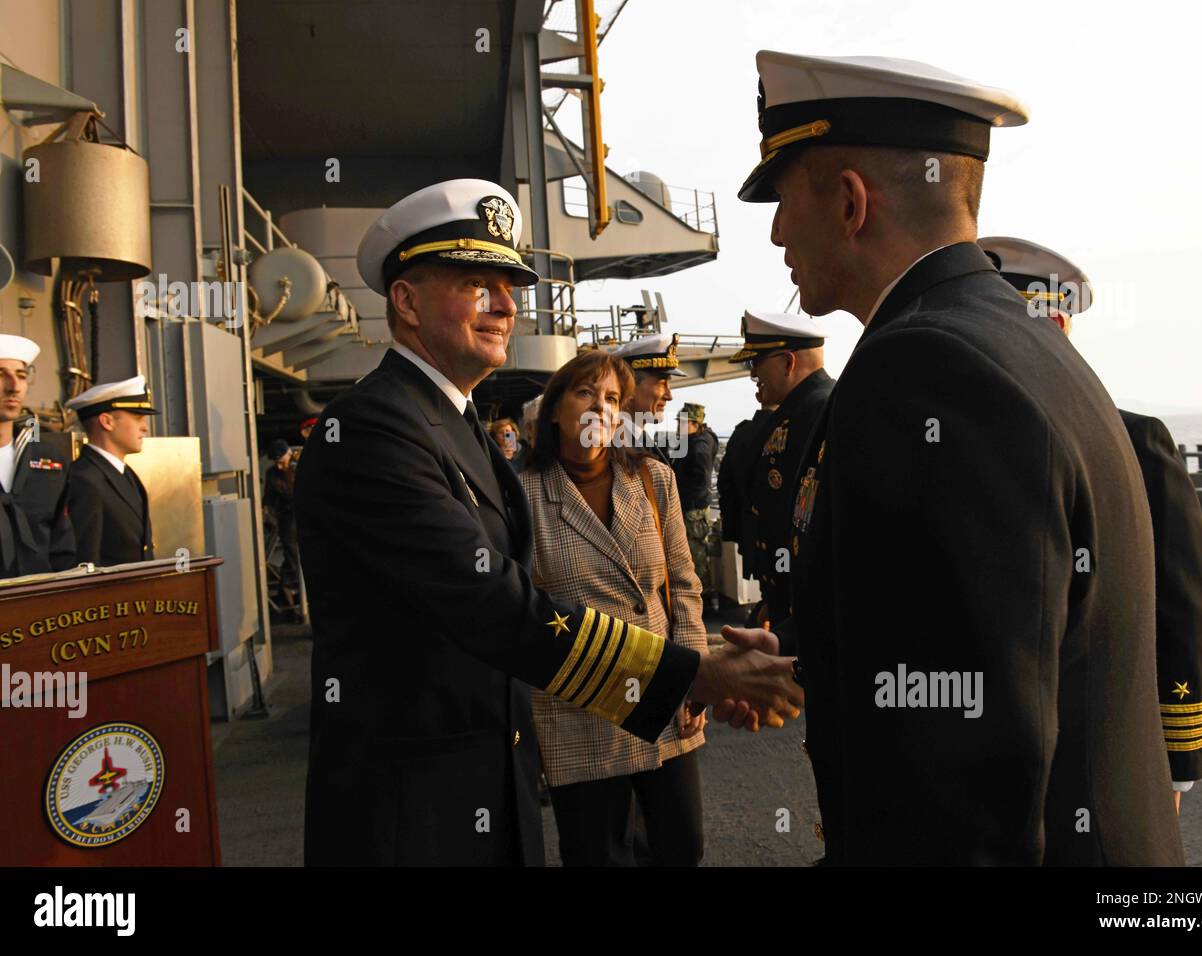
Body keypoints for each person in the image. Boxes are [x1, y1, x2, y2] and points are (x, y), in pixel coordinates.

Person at [721, 52, 1183, 865]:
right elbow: (987, 623)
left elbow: (958, 783)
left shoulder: (926, 367)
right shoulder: (1018, 340)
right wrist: (807, 651)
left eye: (784, 198)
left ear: (850, 200)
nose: (776, 231)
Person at [293, 178, 801, 866]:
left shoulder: (454, 425)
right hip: (412, 816)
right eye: (477, 283)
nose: (506, 304)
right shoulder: (373, 429)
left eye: (509, 285)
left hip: (486, 789)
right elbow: (495, 607)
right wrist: (697, 675)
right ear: (407, 302)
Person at [980, 235, 1202, 811]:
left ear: (1054, 328)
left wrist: (1176, 760)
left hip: (1097, 745)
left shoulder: (1137, 442)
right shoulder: (968, 445)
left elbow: (1178, 603)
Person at [520, 349, 708, 866]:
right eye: (585, 393)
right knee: (596, 855)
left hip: (664, 697)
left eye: (612, 398)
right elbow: (517, 612)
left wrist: (695, 678)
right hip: (578, 706)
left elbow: (684, 589)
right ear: (554, 408)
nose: (599, 408)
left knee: (681, 846)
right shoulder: (525, 494)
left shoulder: (652, 479)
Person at [726, 311, 834, 629]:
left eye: (757, 362)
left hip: (806, 605)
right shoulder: (796, 411)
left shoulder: (821, 410)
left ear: (788, 362)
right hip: (784, 595)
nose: (752, 373)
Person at [0, 334, 76, 581]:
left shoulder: (50, 462)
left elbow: (63, 548)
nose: (13, 386)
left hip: (40, 613)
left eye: (22, 376)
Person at [66, 375, 158, 566]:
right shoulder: (84, 480)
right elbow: (85, 564)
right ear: (107, 422)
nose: (145, 427)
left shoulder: (124, 473)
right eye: (138, 417)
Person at [717, 404, 775, 586]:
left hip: (749, 531)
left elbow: (725, 485)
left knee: (766, 590)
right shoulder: (788, 427)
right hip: (783, 541)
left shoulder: (742, 433)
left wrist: (733, 530)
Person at [672, 402, 720, 613]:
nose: (678, 427)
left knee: (697, 554)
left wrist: (690, 497)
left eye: (682, 423)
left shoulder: (700, 444)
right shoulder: (692, 440)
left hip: (694, 509)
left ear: (694, 423)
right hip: (690, 506)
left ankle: (705, 600)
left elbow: (700, 476)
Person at [612, 332, 686, 467]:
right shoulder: (615, 449)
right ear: (630, 387)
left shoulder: (637, 439)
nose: (669, 396)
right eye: (661, 383)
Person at [264, 438, 299, 602]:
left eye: (281, 462)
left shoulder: (299, 466)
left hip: (304, 513)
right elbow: (269, 499)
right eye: (276, 463)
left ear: (289, 454)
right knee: (292, 554)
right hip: (287, 518)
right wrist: (266, 512)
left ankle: (287, 589)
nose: (279, 466)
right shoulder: (272, 475)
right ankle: (291, 589)